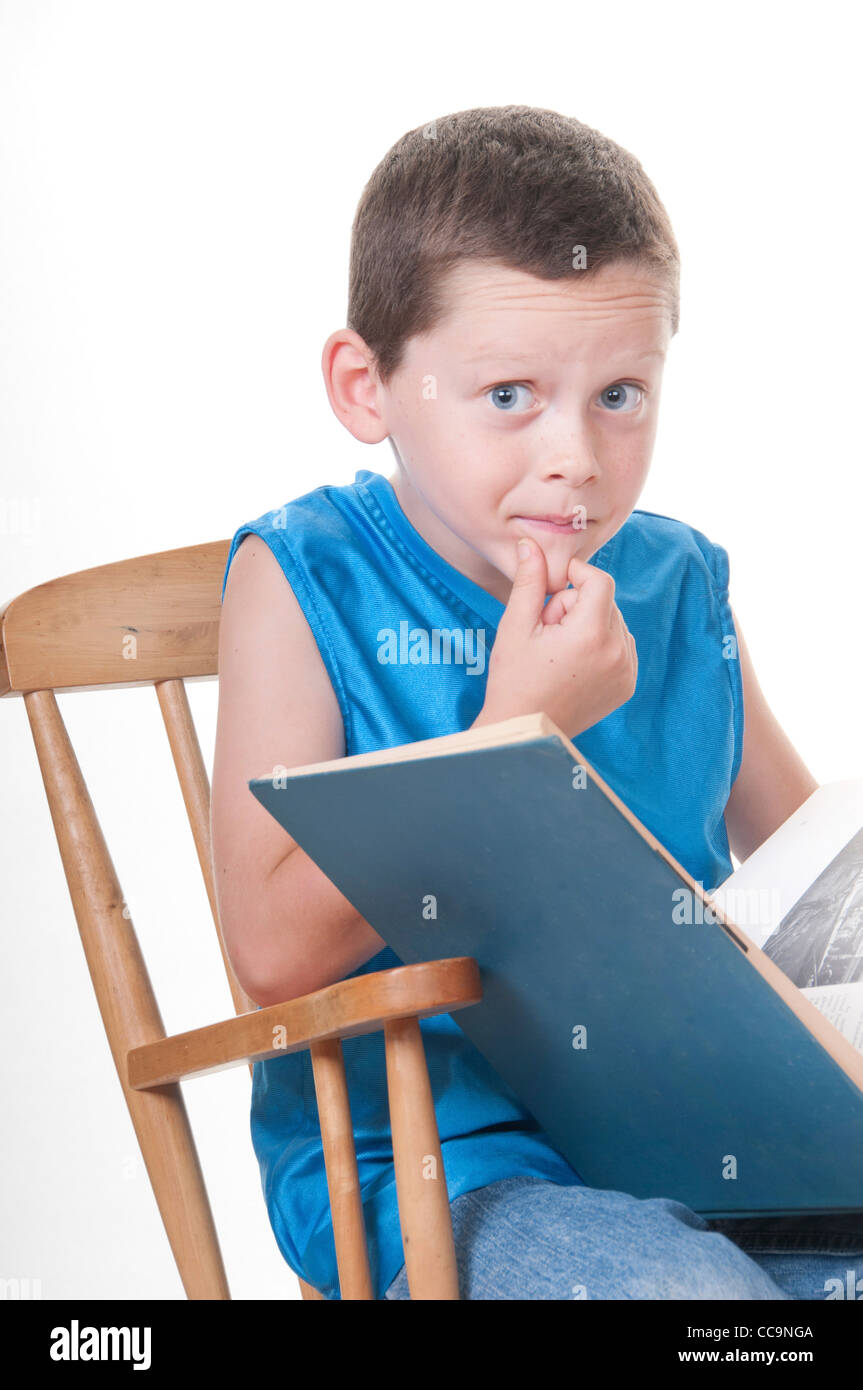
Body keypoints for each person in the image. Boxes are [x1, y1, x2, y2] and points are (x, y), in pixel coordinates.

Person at [210, 105, 863, 1300]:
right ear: (368, 386)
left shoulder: (672, 585)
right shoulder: (305, 577)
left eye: (620, 394)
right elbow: (270, 956)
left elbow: (808, 870)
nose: (574, 454)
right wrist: (515, 730)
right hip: (445, 1168)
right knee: (690, 1304)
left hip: (703, 1139)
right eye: (509, 394)